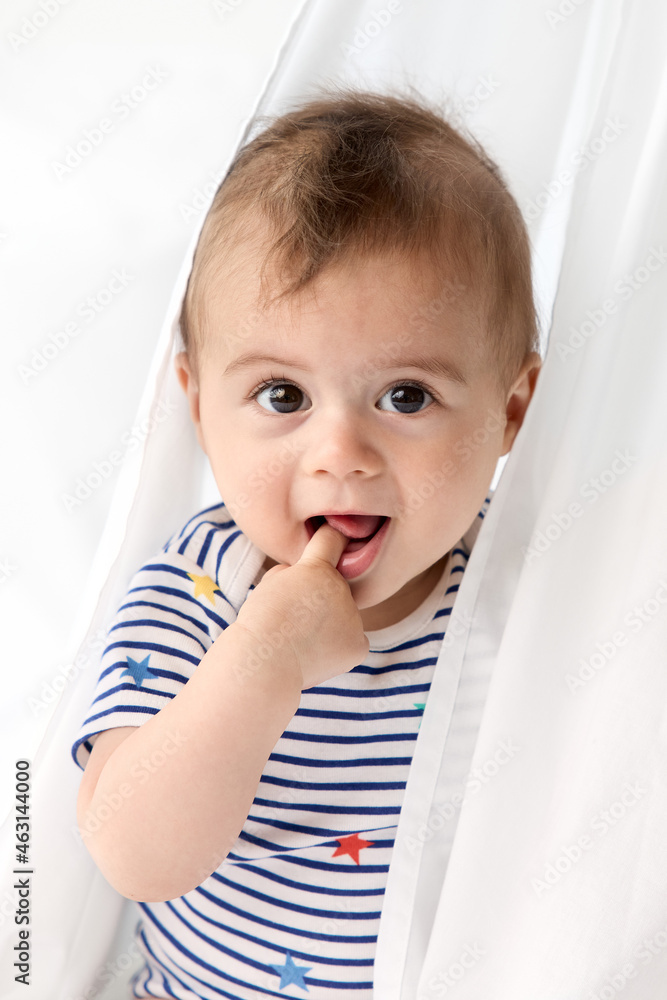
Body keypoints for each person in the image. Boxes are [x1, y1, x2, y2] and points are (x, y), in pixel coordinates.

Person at [71, 86, 542, 999]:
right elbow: (132, 854)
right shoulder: (197, 592)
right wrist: (265, 660)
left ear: (509, 410)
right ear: (200, 406)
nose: (339, 454)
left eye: (405, 396)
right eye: (282, 396)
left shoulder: (522, 585)